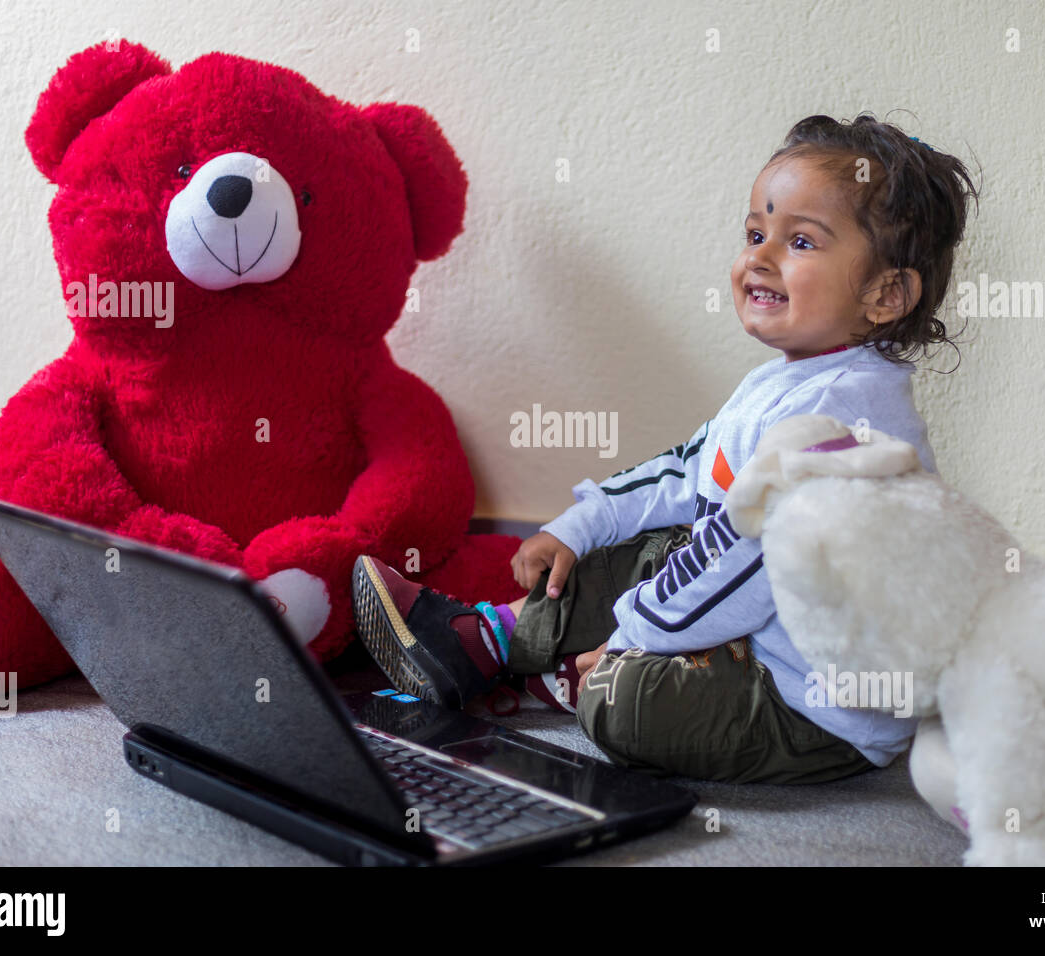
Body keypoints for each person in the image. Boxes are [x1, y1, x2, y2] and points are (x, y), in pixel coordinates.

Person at [351, 113, 978, 784]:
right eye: (755, 234)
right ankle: (485, 642)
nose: (759, 258)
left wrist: (628, 641)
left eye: (800, 241)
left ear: (886, 295)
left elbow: (743, 564)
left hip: (810, 707)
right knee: (637, 547)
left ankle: (564, 681)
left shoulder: (842, 414)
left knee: (624, 706)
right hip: (749, 631)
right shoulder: (784, 381)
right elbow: (685, 470)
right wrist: (582, 525)